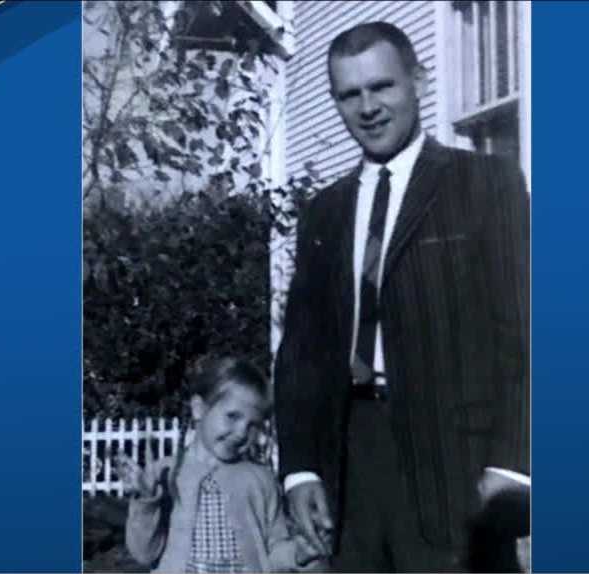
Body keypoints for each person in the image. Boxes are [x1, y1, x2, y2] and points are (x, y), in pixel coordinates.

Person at [273, 21, 530, 572]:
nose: (368, 107)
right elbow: (301, 352)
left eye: (382, 86)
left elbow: (524, 331)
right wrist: (301, 469)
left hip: (455, 459)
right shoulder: (325, 213)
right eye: (350, 94)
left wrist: (512, 465)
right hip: (351, 457)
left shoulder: (485, 185)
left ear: (418, 80)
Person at [121, 357, 322, 573]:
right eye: (232, 416)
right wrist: (146, 503)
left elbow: (272, 552)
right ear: (199, 409)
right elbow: (144, 553)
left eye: (253, 424)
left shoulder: (260, 480)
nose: (242, 432)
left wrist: (297, 554)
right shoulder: (166, 474)